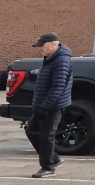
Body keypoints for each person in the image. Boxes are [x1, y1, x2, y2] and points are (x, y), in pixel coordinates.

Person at [26, 32, 73, 177]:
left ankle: (48, 167)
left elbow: (58, 87)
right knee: (31, 131)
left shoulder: (61, 60)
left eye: (42, 46)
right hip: (42, 104)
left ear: (54, 44)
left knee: (46, 136)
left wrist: (46, 107)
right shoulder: (50, 59)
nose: (41, 49)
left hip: (52, 106)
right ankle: (54, 158)